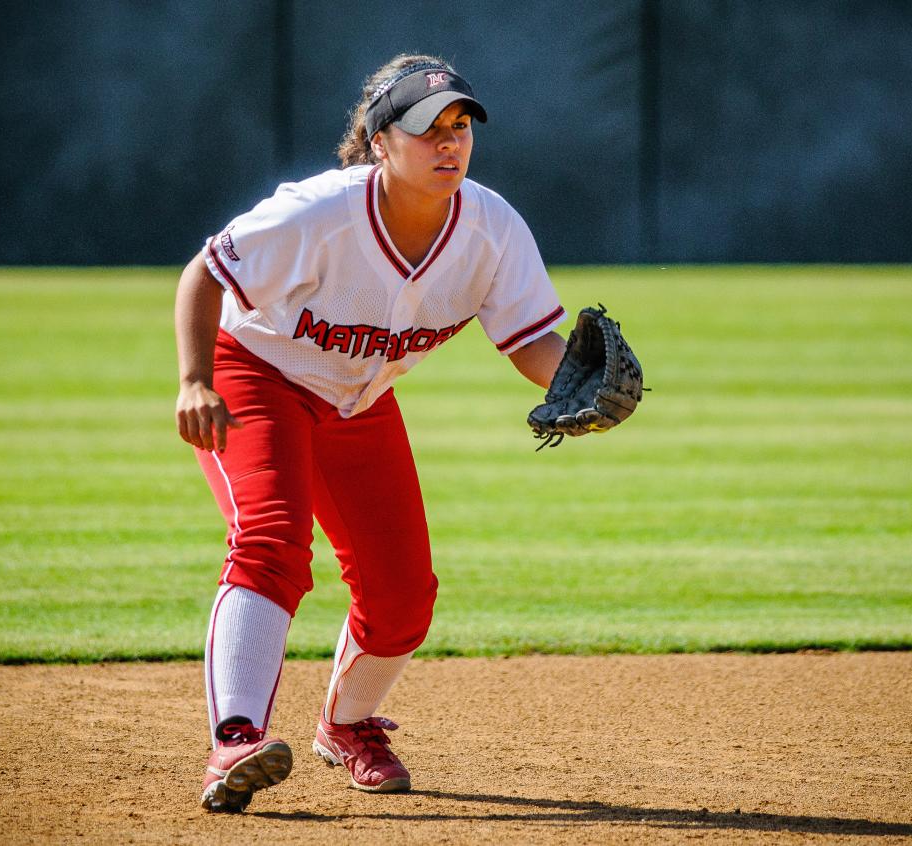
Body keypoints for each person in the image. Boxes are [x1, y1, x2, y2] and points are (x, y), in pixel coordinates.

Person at [174, 53, 568, 813]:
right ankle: (235, 741)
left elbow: (529, 341)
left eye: (460, 126)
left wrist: (577, 382)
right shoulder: (317, 212)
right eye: (427, 128)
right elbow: (206, 272)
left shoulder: (490, 227)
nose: (448, 142)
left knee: (403, 594)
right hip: (257, 371)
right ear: (379, 141)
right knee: (271, 540)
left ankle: (346, 725)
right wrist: (194, 380)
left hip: (358, 399)